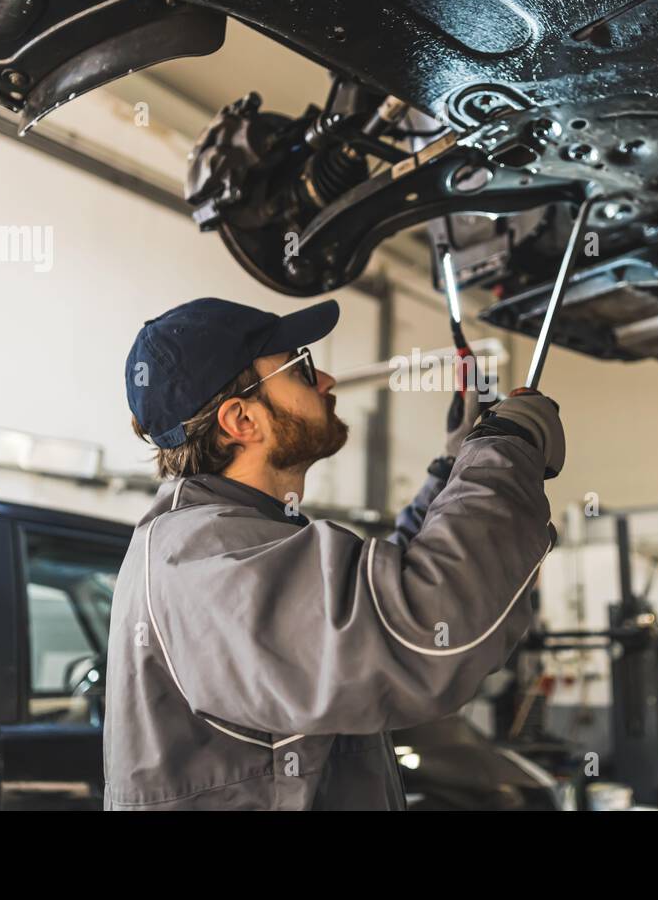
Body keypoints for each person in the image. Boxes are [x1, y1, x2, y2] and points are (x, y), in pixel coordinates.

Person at [104, 296, 565, 809]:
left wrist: (454, 465)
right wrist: (508, 448)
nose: (325, 380)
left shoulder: (230, 537)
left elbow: (367, 604)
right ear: (241, 421)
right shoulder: (202, 560)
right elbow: (422, 627)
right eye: (300, 369)